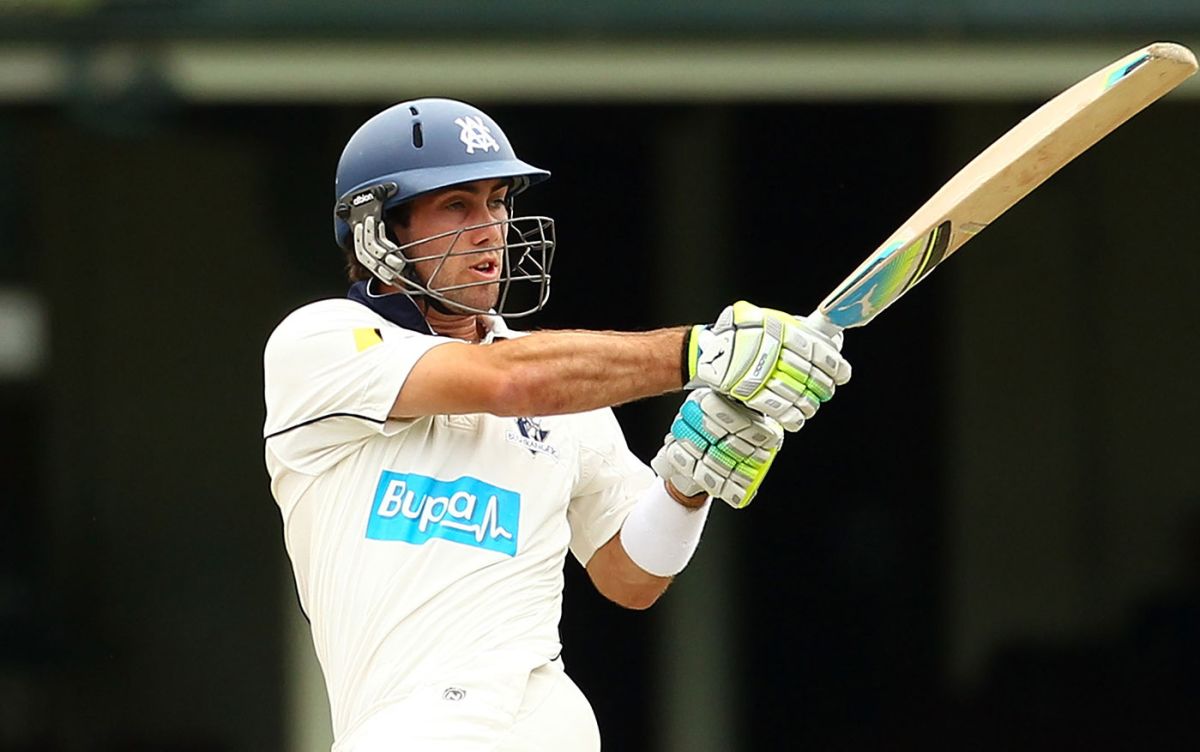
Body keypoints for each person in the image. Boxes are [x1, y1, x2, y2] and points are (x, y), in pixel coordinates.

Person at [262, 98, 852, 751]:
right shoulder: (320, 345)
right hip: (413, 727)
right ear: (379, 230)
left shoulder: (564, 394)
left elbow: (631, 577)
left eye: (498, 201)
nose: (491, 228)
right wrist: (703, 351)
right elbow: (507, 382)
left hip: (550, 723)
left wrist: (691, 477)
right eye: (458, 205)